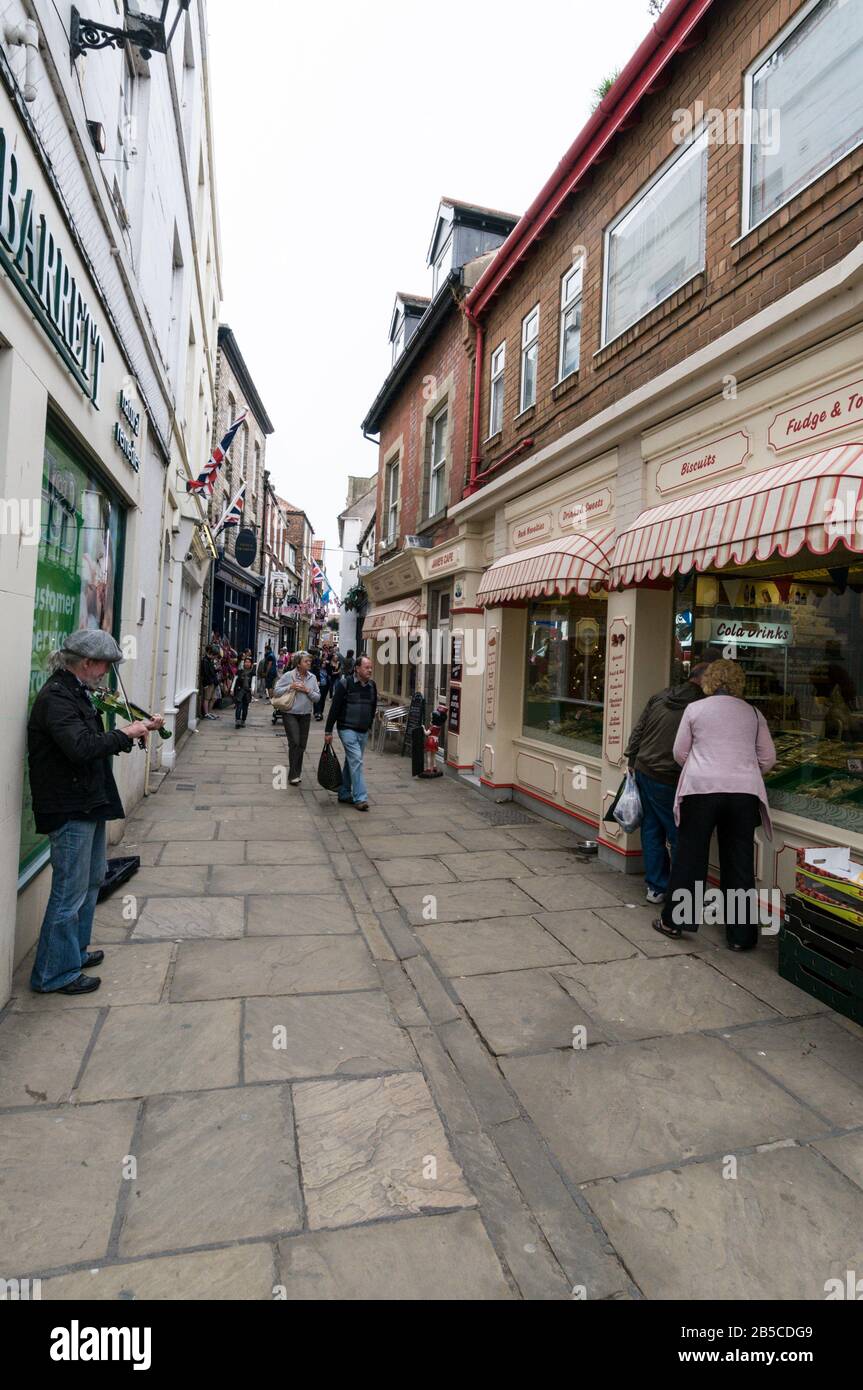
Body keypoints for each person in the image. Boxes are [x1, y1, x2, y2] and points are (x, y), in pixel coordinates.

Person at [27, 631, 163, 995]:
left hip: (87, 800)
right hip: (69, 806)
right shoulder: (57, 697)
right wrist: (126, 733)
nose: (107, 672)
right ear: (87, 663)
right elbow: (81, 747)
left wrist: (131, 732)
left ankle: (73, 953)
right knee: (68, 894)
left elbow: (90, 744)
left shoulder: (76, 692)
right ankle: (53, 974)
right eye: (105, 664)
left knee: (90, 882)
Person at [655, 658, 776, 951]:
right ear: (738, 682)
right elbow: (769, 758)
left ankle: (675, 922)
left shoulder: (695, 709)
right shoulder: (753, 714)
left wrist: (703, 766)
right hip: (743, 793)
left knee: (690, 857)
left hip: (701, 789)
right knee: (739, 862)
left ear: (709, 681)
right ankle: (741, 937)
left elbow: (679, 752)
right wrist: (741, 770)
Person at [624, 662, 710, 905]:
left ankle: (656, 886)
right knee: (679, 834)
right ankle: (683, 892)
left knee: (652, 829)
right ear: (705, 681)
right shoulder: (701, 705)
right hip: (671, 775)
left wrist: (632, 758)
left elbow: (639, 730)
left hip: (644, 768)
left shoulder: (661, 696)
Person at [325, 654, 378, 811]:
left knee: (351, 762)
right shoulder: (344, 684)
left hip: (363, 730)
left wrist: (369, 725)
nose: (369, 670)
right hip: (346, 728)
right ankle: (360, 798)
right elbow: (334, 708)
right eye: (366, 667)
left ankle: (344, 792)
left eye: (370, 668)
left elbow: (373, 706)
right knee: (356, 761)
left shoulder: (372, 686)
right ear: (357, 668)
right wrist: (328, 730)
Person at [273, 651, 320, 784]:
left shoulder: (312, 678)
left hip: (305, 715)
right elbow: (276, 691)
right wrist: (290, 686)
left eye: (310, 661)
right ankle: (293, 775)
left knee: (302, 745)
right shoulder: (289, 676)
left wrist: (308, 691)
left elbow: (317, 698)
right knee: (295, 742)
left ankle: (296, 772)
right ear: (298, 664)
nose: (309, 663)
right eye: (306, 661)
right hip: (290, 713)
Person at [232, 657, 255, 729]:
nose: (247, 663)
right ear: (243, 663)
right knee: (239, 706)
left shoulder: (252, 673)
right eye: (246, 662)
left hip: (247, 691)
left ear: (251, 664)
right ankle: (237, 721)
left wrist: (253, 689)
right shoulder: (239, 671)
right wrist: (232, 689)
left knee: (245, 708)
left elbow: (253, 682)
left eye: (249, 662)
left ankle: (243, 721)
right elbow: (234, 680)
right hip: (239, 690)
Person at [200, 646, 220, 720]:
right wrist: (206, 684)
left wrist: (216, 670)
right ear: (211, 653)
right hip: (209, 683)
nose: (215, 657)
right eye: (214, 655)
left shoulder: (209, 660)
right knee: (207, 698)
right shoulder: (205, 661)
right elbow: (205, 673)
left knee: (214, 698)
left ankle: (209, 712)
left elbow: (211, 671)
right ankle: (206, 713)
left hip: (213, 682)